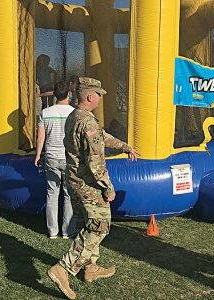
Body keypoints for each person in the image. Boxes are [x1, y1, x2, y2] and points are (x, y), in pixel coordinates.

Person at [47, 77, 140, 300]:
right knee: (100, 226)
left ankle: (90, 268)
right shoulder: (87, 121)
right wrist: (107, 187)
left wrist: (124, 146)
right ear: (90, 96)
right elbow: (95, 162)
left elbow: (100, 137)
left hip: (74, 181)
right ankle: (63, 268)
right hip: (88, 184)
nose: (100, 98)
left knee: (85, 225)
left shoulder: (74, 116)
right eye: (99, 94)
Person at [35, 81, 76, 239]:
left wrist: (38, 155)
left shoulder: (45, 113)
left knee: (52, 194)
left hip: (51, 157)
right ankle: (67, 231)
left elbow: (41, 137)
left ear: (55, 95)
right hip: (68, 158)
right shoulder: (74, 113)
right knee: (68, 194)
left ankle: (52, 231)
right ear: (68, 94)